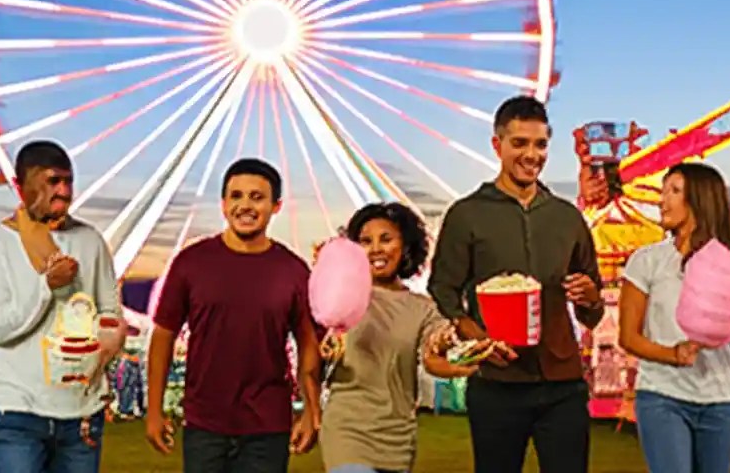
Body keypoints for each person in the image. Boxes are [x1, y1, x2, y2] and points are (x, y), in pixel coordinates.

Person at [427, 95, 604, 473]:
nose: (532, 154)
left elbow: (592, 309)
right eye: (519, 143)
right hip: (496, 385)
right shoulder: (467, 215)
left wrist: (589, 298)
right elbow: (443, 289)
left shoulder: (567, 218)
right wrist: (477, 338)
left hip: (563, 383)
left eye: (540, 144)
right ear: (497, 145)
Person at [146, 157, 322, 472]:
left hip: (268, 426)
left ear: (276, 206)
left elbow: (308, 342)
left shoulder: (293, 271)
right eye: (236, 196)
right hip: (205, 423)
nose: (246, 205)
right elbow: (163, 335)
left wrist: (311, 411)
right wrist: (154, 410)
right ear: (223, 204)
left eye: (257, 197)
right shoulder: (191, 263)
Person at [0, 140, 125, 472]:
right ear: (21, 186)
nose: (64, 191)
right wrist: (46, 288)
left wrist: (107, 340)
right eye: (52, 181)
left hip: (82, 412)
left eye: (68, 181)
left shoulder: (91, 241)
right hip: (18, 411)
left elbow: (110, 312)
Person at [618, 162, 730, 473]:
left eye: (674, 191)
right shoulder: (647, 262)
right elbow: (628, 337)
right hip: (663, 396)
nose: (662, 200)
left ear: (700, 198)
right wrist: (672, 354)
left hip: (724, 403)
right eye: (663, 191)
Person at [320, 202, 478, 473]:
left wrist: (450, 358)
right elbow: (320, 345)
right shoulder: (341, 297)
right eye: (365, 241)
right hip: (347, 428)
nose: (376, 249)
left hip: (397, 435)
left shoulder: (422, 308)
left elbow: (432, 357)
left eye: (386, 239)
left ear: (406, 247)